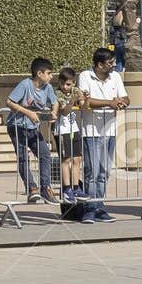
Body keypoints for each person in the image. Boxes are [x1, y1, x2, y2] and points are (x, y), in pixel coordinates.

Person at [78, 47, 128, 222]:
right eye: (110, 63)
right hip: (91, 131)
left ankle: (99, 207)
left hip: (110, 131)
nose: (113, 65)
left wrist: (121, 102)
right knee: (92, 171)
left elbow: (125, 97)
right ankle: (89, 209)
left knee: (103, 172)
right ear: (99, 65)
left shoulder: (115, 77)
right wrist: (110, 103)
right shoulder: (85, 76)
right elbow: (85, 101)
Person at [6, 58, 59, 207]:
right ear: (39, 73)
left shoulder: (47, 87)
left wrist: (53, 114)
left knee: (45, 154)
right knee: (24, 158)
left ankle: (45, 188)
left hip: (33, 128)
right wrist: (28, 113)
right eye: (49, 73)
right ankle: (31, 188)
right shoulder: (25, 84)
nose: (51, 76)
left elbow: (54, 102)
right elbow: (9, 102)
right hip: (17, 126)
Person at [54, 67, 83, 207]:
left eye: (68, 84)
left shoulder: (75, 91)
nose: (65, 87)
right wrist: (73, 100)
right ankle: (67, 189)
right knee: (66, 159)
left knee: (77, 159)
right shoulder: (57, 93)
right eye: (63, 83)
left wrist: (84, 98)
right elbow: (64, 111)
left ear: (74, 83)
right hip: (62, 130)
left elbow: (83, 104)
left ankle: (76, 188)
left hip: (74, 129)